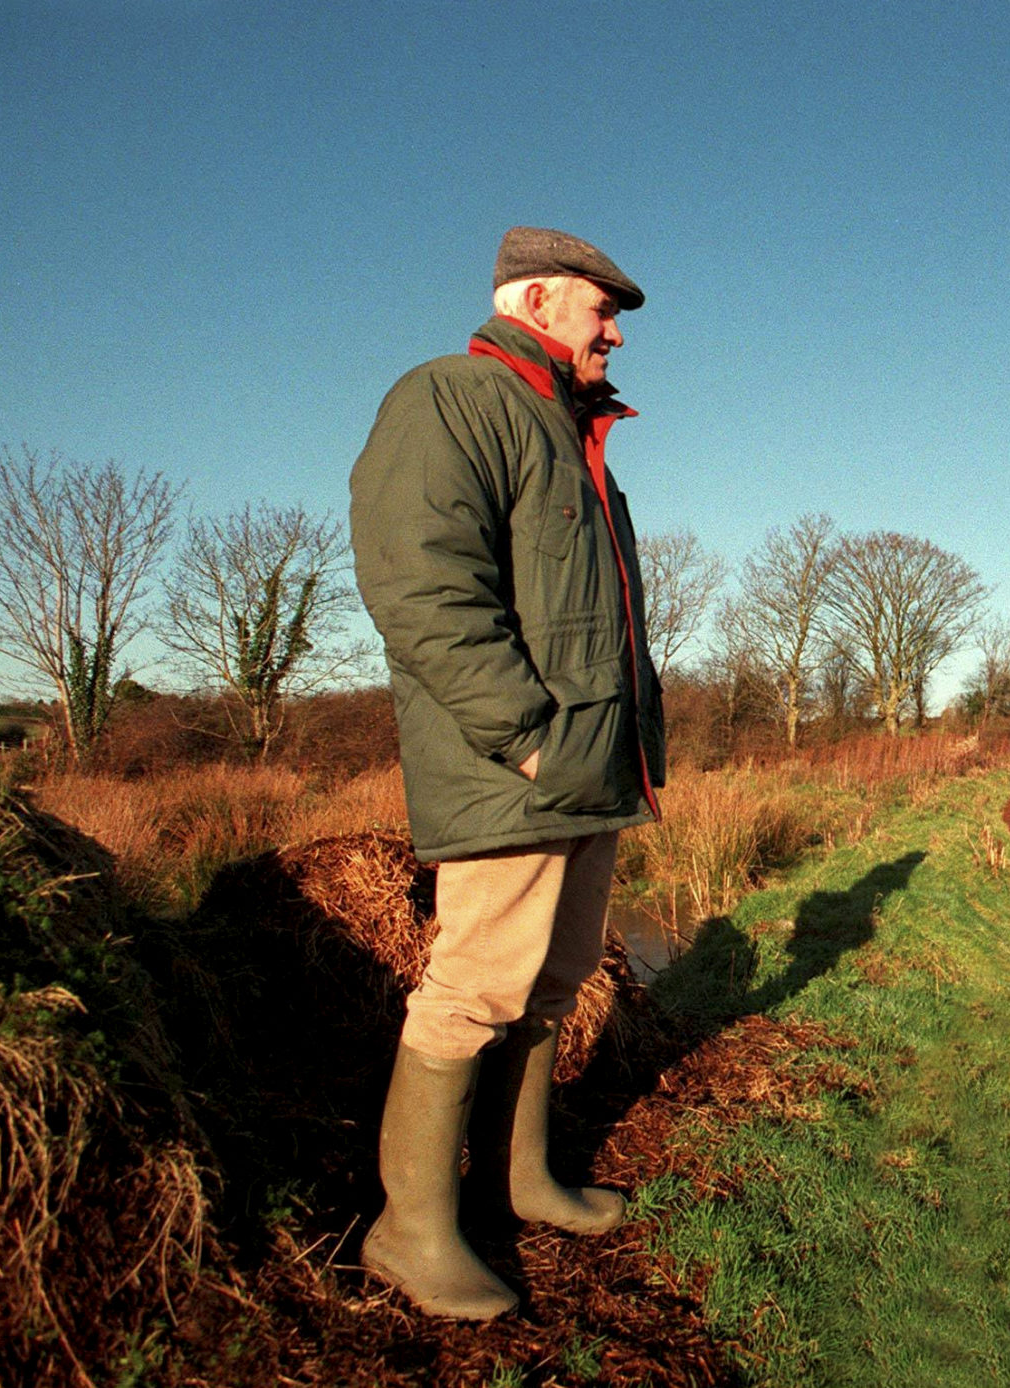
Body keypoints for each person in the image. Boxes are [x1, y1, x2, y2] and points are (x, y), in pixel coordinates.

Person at [348, 226, 666, 1319]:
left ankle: (524, 1179)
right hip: (517, 771)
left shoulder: (571, 435)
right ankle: (412, 1229)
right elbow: (420, 589)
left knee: (552, 977)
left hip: (587, 769)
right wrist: (529, 735)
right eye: (598, 310)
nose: (615, 333)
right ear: (533, 300)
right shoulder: (450, 399)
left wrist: (604, 750)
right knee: (474, 985)